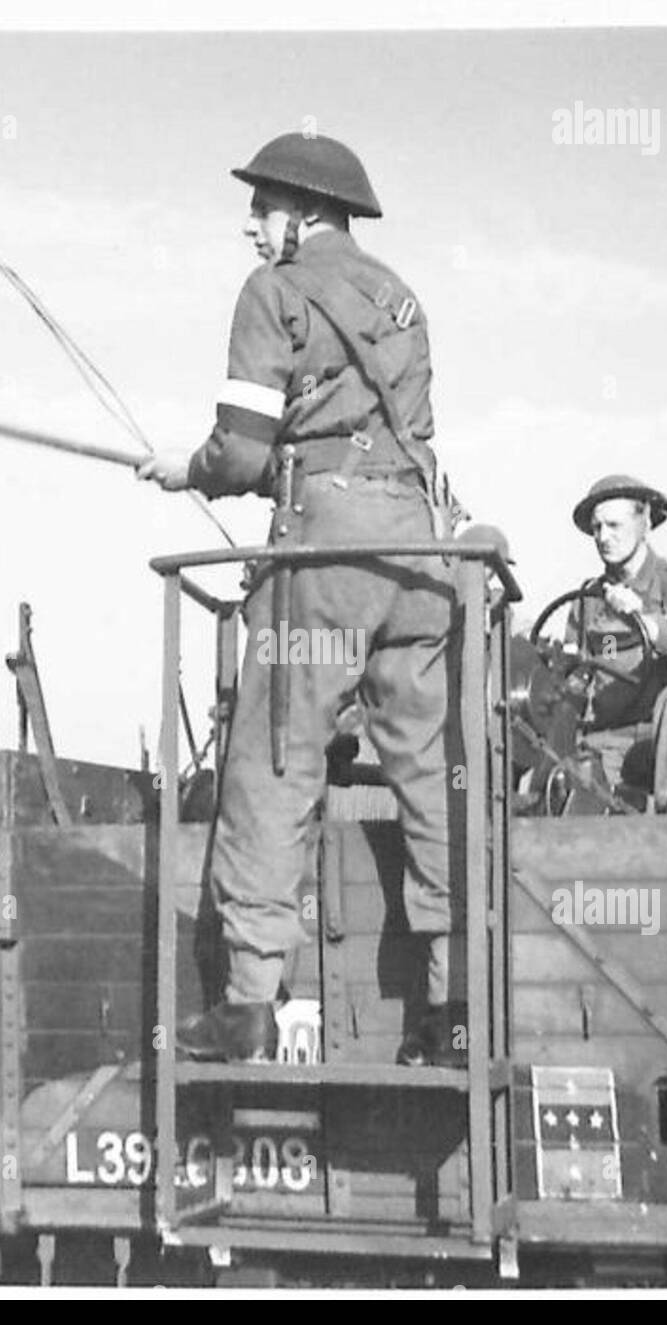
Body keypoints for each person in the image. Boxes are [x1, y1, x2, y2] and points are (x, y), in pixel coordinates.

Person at [138, 132, 460, 1065]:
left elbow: (240, 451)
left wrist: (182, 470)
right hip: (421, 558)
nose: (250, 227)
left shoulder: (272, 291)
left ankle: (247, 1004)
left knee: (272, 761)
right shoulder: (402, 297)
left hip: (324, 558)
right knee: (431, 776)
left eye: (261, 209)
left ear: (304, 214)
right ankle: (449, 1011)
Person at [564, 474, 667, 812]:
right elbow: (572, 681)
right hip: (605, 748)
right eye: (596, 528)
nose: (603, 537)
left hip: (666, 740)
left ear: (645, 522)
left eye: (614, 525)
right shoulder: (587, 602)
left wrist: (648, 624)